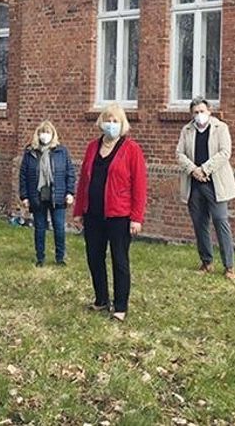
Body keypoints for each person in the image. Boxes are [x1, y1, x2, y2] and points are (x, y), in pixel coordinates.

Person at [72, 103, 147, 322]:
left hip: (119, 215)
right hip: (93, 213)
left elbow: (140, 186)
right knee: (94, 257)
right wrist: (79, 210)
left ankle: (120, 306)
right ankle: (101, 299)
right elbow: (84, 181)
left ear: (122, 124)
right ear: (101, 122)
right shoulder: (92, 147)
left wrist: (136, 217)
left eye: (115, 121)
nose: (111, 124)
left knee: (119, 260)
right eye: (108, 120)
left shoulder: (131, 150)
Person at [176, 96, 235, 280]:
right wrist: (193, 170)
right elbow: (179, 154)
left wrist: (205, 169)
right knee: (199, 223)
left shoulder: (220, 128)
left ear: (209, 111)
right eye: (195, 112)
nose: (199, 115)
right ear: (191, 114)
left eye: (202, 111)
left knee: (220, 220)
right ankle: (206, 261)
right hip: (194, 184)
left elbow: (225, 152)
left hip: (215, 183)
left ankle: (229, 266)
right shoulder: (186, 130)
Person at [19, 120, 76, 267]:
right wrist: (24, 196)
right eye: (42, 132)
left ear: (53, 134)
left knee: (59, 227)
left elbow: (70, 173)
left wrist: (70, 192)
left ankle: (60, 257)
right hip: (37, 195)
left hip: (57, 195)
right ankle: (40, 257)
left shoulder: (61, 151)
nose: (44, 135)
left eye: (47, 132)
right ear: (37, 135)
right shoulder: (30, 152)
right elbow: (23, 175)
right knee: (39, 227)